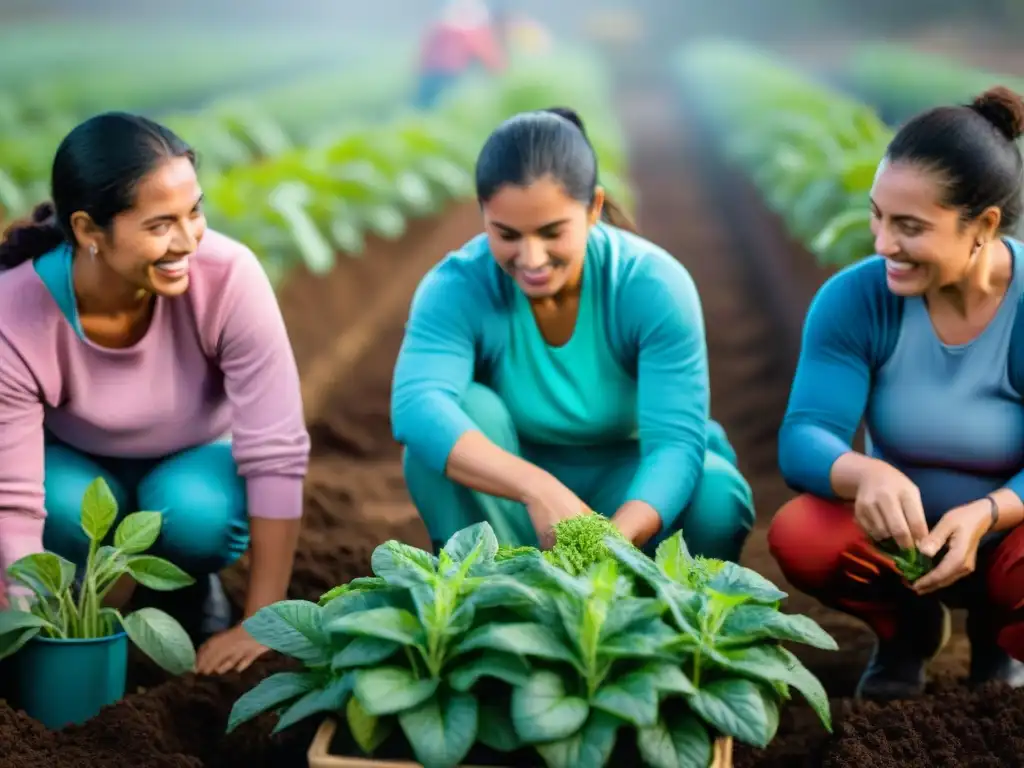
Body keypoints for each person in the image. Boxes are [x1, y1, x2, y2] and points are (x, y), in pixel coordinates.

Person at [0, 112, 310, 675]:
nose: (189, 239)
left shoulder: (229, 276)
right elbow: (14, 499)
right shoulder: (16, 311)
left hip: (193, 463)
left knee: (195, 515)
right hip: (76, 469)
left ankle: (190, 590)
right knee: (62, 511)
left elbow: (277, 453)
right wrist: (24, 626)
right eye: (159, 224)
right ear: (90, 230)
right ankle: (92, 598)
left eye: (194, 212)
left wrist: (261, 618)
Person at [391, 107, 755, 560]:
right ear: (483, 214)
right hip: (511, 489)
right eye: (507, 234)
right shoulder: (458, 285)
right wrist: (536, 488)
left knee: (715, 499)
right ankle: (495, 598)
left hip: (631, 477)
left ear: (593, 209)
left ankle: (651, 613)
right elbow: (416, 406)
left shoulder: (650, 284)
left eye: (551, 233)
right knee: (458, 419)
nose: (532, 258)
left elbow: (675, 445)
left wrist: (611, 543)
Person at [769, 86, 1024, 701]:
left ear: (982, 226)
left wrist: (987, 513)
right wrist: (864, 474)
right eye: (877, 215)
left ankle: (1002, 640)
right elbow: (803, 436)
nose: (882, 243)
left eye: (909, 227)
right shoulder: (857, 299)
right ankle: (905, 633)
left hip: (1006, 538)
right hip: (898, 543)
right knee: (802, 534)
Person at [415, 0, 505, 109]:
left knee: (429, 103)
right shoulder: (472, 31)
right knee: (436, 102)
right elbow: (489, 60)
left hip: (436, 72)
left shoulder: (444, 26)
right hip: (446, 73)